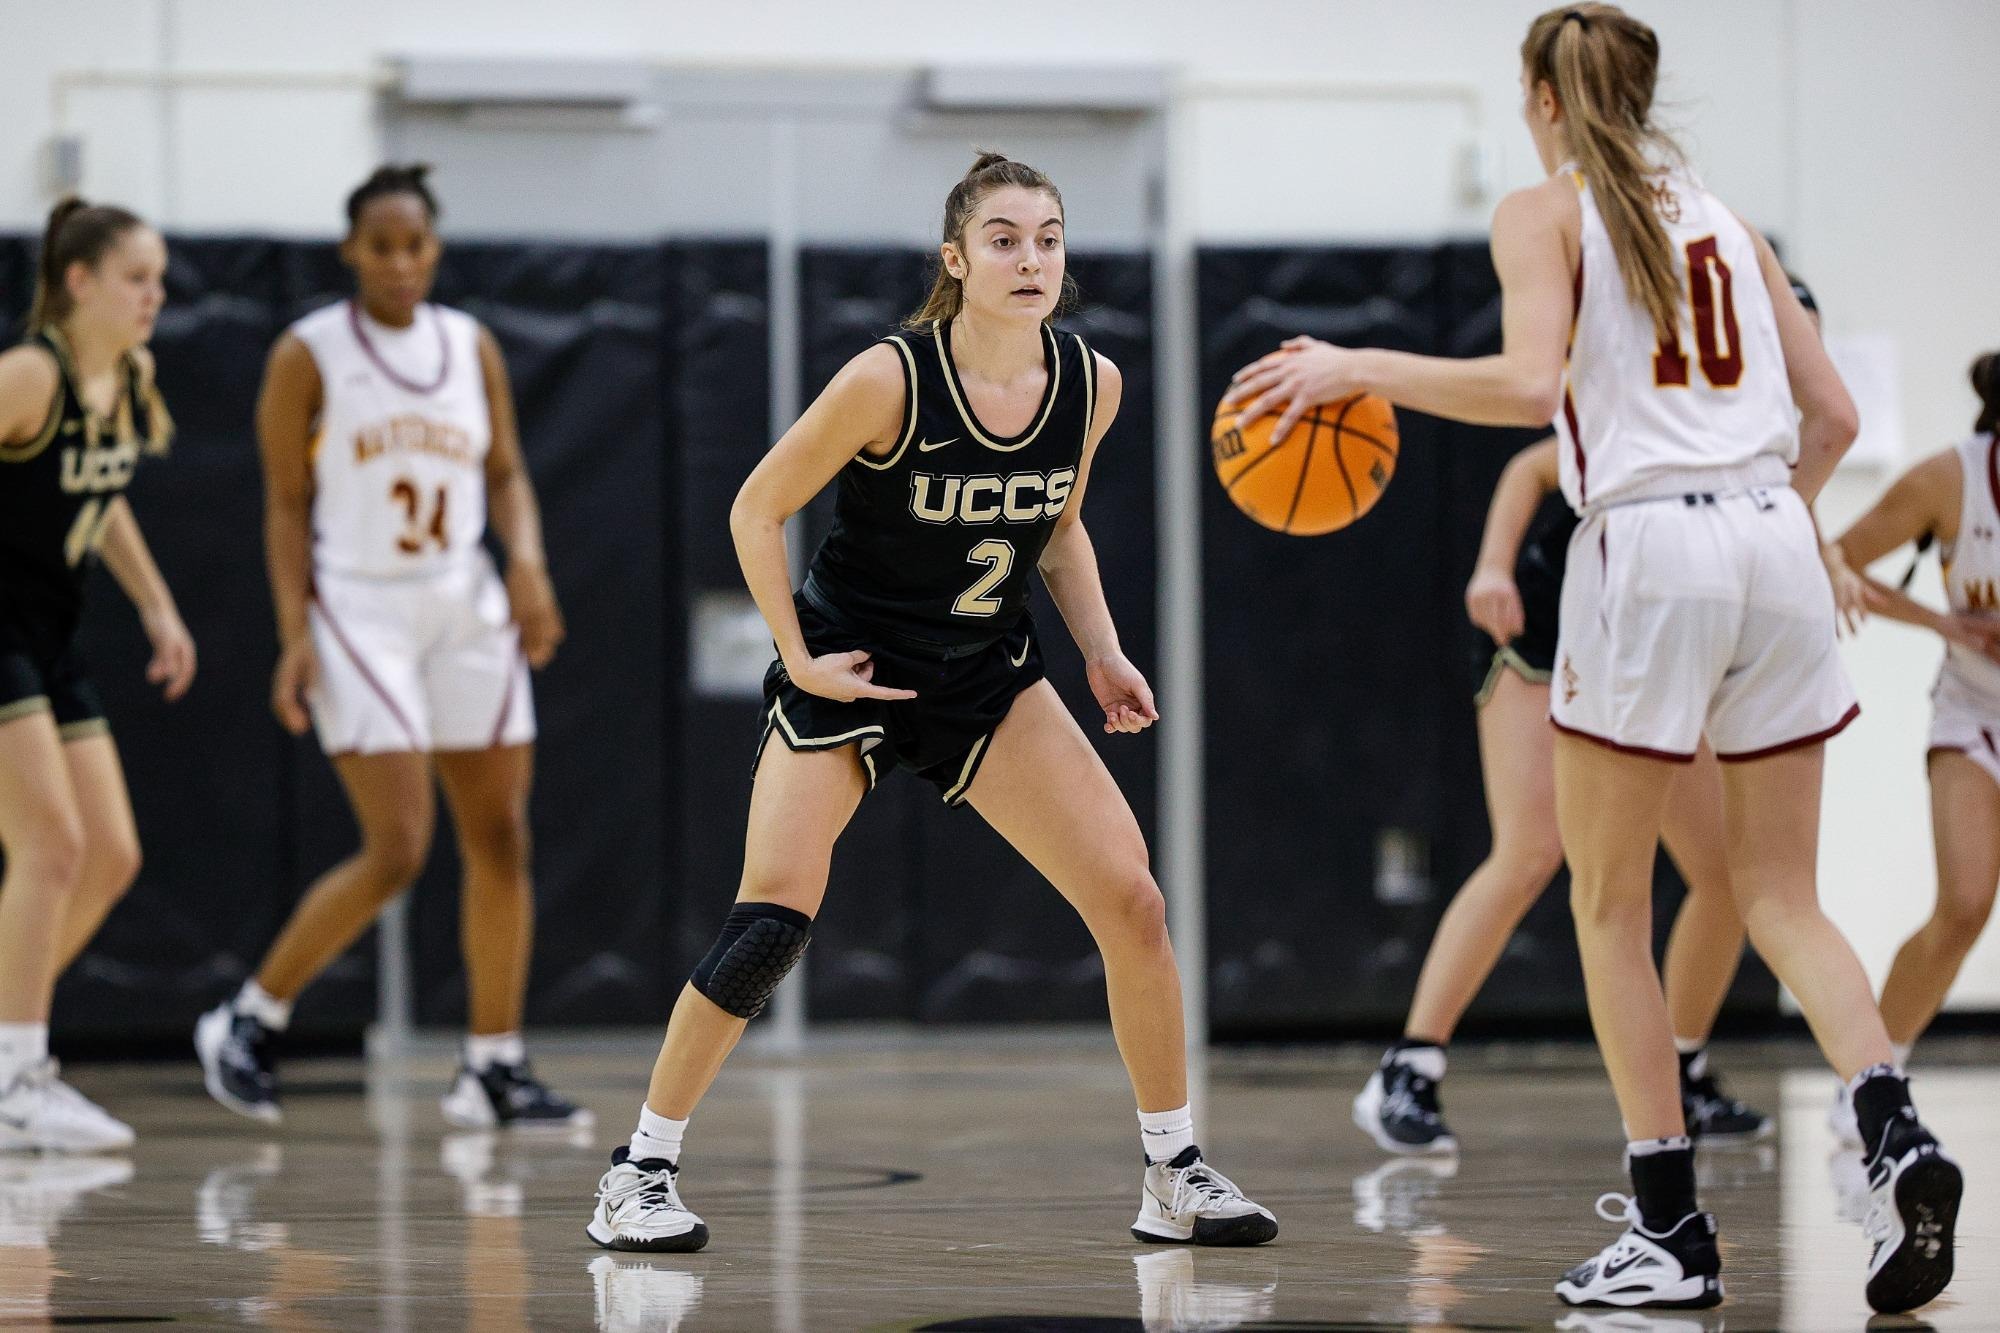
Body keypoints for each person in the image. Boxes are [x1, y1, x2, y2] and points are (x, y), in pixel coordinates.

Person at [1227, 5, 1958, 1313]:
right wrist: (1771, 525)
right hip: (1775, 540)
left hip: (1650, 551)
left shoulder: (1544, 210)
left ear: (1542, 99)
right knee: (1781, 891)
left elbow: (1526, 385)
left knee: (1609, 903)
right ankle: (1898, 1127)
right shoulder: (1733, 222)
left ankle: (1672, 1231)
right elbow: (1835, 416)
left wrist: (1357, 366)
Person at [585, 153, 1275, 1254]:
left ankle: (1173, 1170)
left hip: (982, 673)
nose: (1030, 258)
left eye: (1048, 237)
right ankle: (639, 1171)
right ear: (954, 260)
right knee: (770, 923)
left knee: (1133, 903)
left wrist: (1100, 652)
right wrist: (798, 656)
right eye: (1003, 238)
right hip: (852, 667)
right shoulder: (887, 379)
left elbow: (1055, 528)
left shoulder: (1089, 383)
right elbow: (753, 511)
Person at [195, 165, 583, 1129]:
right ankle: (248, 1016)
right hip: (360, 605)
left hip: (463, 597)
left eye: (416, 245)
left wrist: (526, 561)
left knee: (501, 836)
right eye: (383, 245)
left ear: (435, 249)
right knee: (401, 845)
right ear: (352, 251)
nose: (401, 262)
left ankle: (491, 1065)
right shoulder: (309, 353)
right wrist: (294, 632)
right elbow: (285, 505)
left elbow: (507, 473)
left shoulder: (469, 344)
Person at [1354, 431, 1774, 1156]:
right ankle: (1410, 1065)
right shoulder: (1663, 397)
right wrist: (1492, 567)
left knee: (1726, 871)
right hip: (1546, 620)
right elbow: (1530, 464)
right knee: (1531, 849)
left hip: (1656, 637)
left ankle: (1681, 1069)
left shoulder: (1773, 443)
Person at [0, 197, 192, 1150]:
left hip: (50, 635)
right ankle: (16, 1074)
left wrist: (156, 602)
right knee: (52, 845)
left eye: (159, 278)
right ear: (79, 281)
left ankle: (8, 1035)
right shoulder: (28, 374)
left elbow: (102, 493)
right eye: (136, 277)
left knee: (110, 854)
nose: (154, 293)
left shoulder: (125, 375)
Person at [1821, 350, 2000, 1144]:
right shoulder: (1948, 479)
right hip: (1973, 710)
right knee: (1964, 905)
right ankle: (1874, 1077)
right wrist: (1940, 621)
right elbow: (1836, 556)